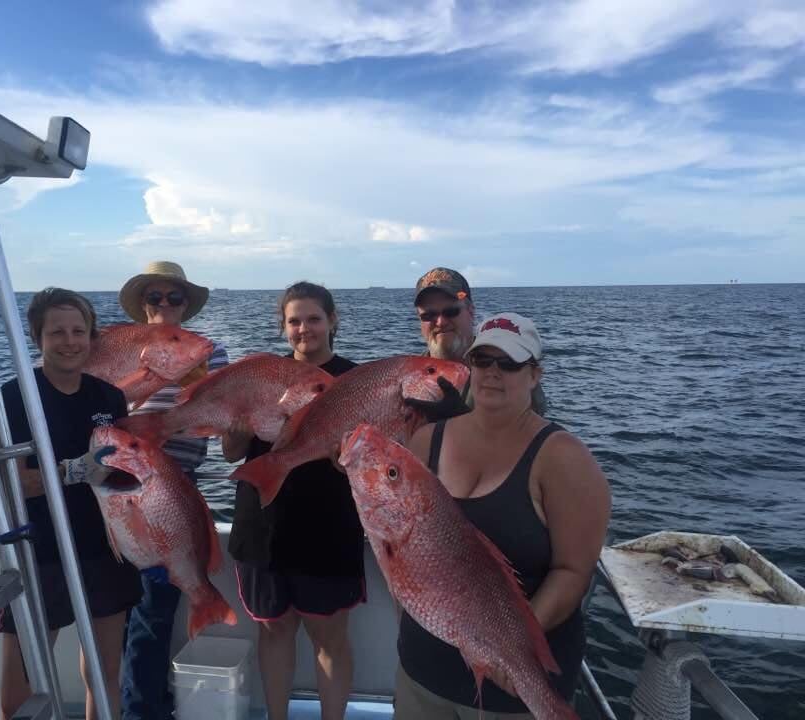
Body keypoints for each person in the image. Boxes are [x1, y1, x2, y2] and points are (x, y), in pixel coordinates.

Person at [396, 312, 611, 719]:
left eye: (509, 363)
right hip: (422, 671)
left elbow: (572, 571)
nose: (493, 373)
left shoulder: (564, 458)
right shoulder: (427, 442)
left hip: (512, 689)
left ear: (535, 375)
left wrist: (511, 649)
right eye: (483, 361)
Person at [0, 287, 141, 720]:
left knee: (105, 672)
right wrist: (76, 470)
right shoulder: (14, 396)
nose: (69, 340)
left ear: (92, 337)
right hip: (37, 550)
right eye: (56, 331)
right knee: (21, 683)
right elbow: (13, 484)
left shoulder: (109, 398)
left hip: (105, 548)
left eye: (79, 330)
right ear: (36, 337)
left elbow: (127, 471)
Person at [224, 282, 364, 720]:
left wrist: (352, 461)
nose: (304, 329)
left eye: (313, 319)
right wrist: (240, 420)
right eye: (294, 321)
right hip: (262, 525)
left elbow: (369, 462)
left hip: (329, 526)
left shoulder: (356, 381)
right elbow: (231, 452)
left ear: (333, 321)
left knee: (330, 639)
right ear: (283, 327)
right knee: (274, 631)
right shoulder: (262, 376)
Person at [118, 260, 229, 720]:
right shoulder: (120, 349)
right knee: (120, 607)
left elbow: (218, 418)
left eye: (174, 298)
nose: (164, 306)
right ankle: (137, 707)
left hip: (176, 489)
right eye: (154, 298)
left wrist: (191, 380)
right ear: (142, 307)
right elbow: (102, 410)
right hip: (116, 488)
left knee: (152, 609)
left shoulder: (209, 352)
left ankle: (144, 709)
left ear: (186, 306)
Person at [410, 267, 547, 419]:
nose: (441, 322)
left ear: (470, 311)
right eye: (429, 315)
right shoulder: (406, 377)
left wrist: (460, 422)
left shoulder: (510, 367)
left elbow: (529, 434)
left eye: (451, 312)